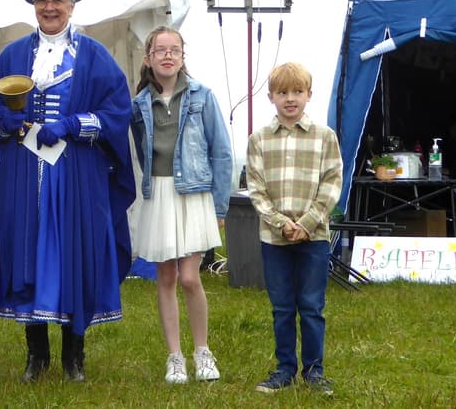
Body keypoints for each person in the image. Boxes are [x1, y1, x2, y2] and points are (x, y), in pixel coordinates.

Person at [0, 0, 135, 383]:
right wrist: (5, 122)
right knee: (27, 251)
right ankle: (35, 357)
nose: (49, 7)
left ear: (73, 5)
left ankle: (73, 359)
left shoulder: (95, 57)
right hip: (24, 171)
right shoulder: (13, 54)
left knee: (72, 253)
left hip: (75, 172)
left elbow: (118, 113)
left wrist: (75, 125)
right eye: (42, 0)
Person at [128, 26, 232, 384]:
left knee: (190, 277)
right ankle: (175, 357)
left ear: (183, 56)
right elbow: (140, 149)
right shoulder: (139, 104)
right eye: (161, 51)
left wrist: (219, 206)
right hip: (159, 196)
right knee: (167, 276)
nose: (168, 56)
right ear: (149, 58)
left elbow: (221, 152)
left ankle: (202, 351)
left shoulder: (203, 96)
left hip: (194, 193)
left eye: (175, 50)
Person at [246, 62, 342, 395]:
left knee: (312, 306)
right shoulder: (259, 139)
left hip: (313, 238)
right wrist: (281, 223)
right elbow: (255, 188)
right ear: (271, 96)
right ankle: (284, 369)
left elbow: (332, 182)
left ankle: (314, 371)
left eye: (297, 92)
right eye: (283, 93)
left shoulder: (324, 137)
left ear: (309, 95)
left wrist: (306, 223)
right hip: (275, 239)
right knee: (282, 306)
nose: (290, 99)